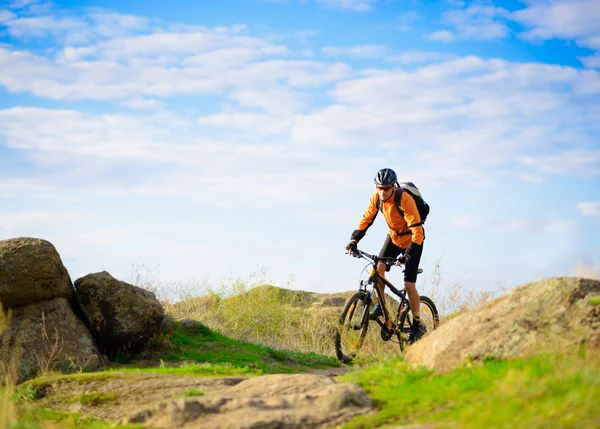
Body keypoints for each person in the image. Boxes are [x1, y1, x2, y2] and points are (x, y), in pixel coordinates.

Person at [345, 168, 426, 344]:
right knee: (378, 267)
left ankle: (418, 324)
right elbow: (366, 220)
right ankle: (380, 307)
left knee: (409, 283)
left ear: (393, 187)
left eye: (386, 188)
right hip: (394, 237)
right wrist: (353, 240)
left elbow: (417, 231)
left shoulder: (404, 198)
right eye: (379, 188)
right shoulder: (376, 198)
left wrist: (408, 255)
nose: (382, 192)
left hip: (413, 240)